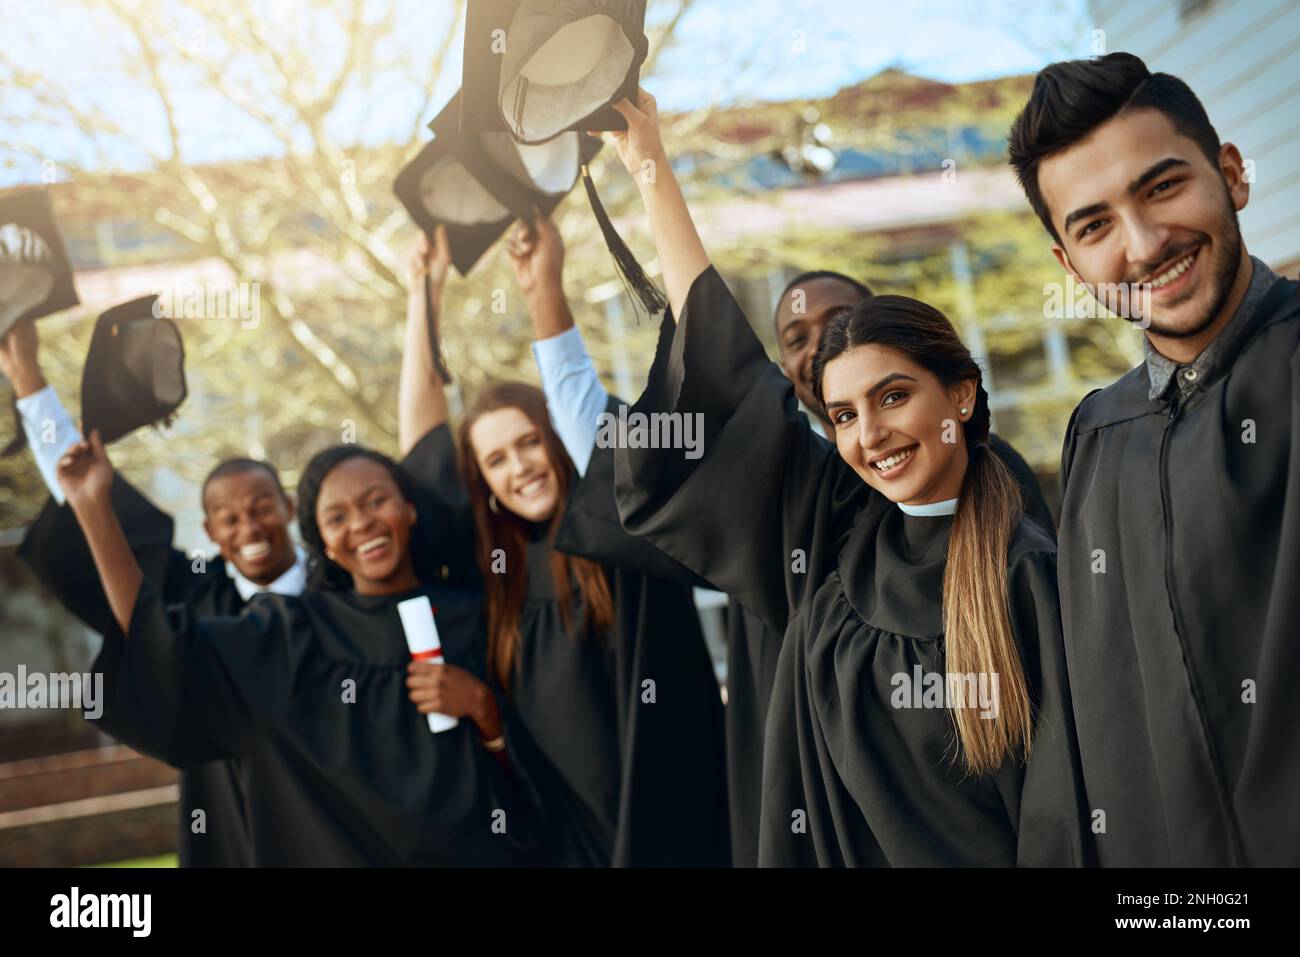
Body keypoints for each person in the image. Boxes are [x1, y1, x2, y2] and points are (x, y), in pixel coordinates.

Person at [603, 88, 1089, 866]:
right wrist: (652, 168)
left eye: (894, 395)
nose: (872, 434)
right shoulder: (836, 543)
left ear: (959, 392)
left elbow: (1069, 802)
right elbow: (727, 374)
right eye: (845, 415)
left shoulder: (1021, 565)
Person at [1008, 51, 1300, 866]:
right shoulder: (1100, 437)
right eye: (1094, 224)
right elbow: (1089, 725)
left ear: (1232, 175)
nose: (1143, 245)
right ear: (1069, 264)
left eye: (1163, 186)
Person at [50, 426, 545, 866]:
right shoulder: (292, 634)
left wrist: (485, 711)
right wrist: (94, 507)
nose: (362, 523)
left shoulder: (478, 615)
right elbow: (161, 645)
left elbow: (546, 776)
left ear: (409, 507)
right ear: (322, 539)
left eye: (376, 501)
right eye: (337, 516)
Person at [399, 225, 729, 866]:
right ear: (484, 484)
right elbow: (422, 448)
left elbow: (588, 417)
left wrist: (540, 288)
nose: (518, 467)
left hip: (675, 828)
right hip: (567, 842)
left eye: (529, 442)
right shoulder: (496, 570)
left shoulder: (623, 529)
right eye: (495, 460)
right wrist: (424, 291)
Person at [0, 318, 306, 868]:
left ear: (290, 507)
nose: (250, 529)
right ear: (209, 532)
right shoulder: (190, 597)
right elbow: (90, 502)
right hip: (233, 830)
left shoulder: (345, 592)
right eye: (228, 518)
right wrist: (28, 379)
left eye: (262, 507)